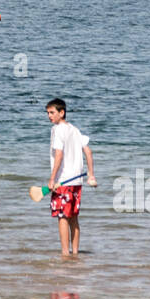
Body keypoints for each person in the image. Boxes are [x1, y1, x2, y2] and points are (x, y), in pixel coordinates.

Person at [46, 98, 96, 257]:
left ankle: (65, 254)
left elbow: (59, 155)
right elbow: (88, 151)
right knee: (73, 217)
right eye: (47, 113)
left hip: (63, 181)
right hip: (77, 182)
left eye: (52, 112)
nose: (49, 116)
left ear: (62, 112)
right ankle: (75, 253)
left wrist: (52, 179)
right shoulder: (75, 129)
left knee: (62, 217)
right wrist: (91, 175)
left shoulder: (57, 130)